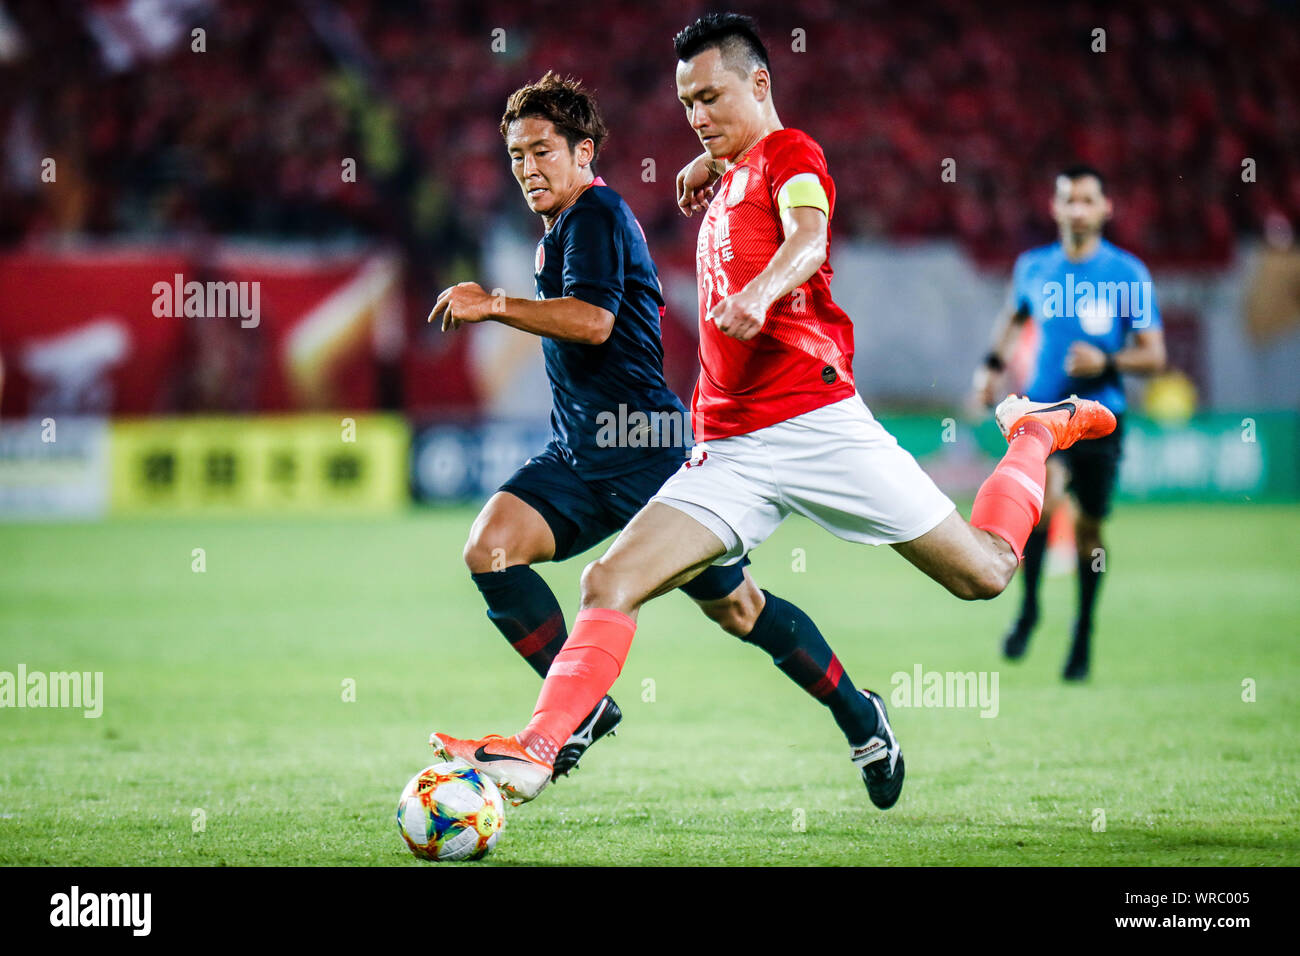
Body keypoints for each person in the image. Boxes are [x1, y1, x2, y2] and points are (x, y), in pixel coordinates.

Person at [430, 14, 1116, 806]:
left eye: (711, 97)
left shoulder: (795, 156)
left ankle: (1032, 434)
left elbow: (809, 237)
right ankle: (538, 749)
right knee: (607, 582)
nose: (697, 115)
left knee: (986, 573)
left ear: (761, 82)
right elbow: (737, 169)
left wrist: (762, 290)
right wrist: (705, 161)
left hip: (816, 425)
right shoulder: (729, 169)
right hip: (727, 445)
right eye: (687, 102)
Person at [429, 71, 893, 789]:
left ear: (585, 153)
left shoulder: (599, 216)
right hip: (582, 453)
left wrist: (491, 304)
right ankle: (578, 709)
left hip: (648, 452)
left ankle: (861, 717)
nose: (527, 168)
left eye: (543, 151)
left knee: (740, 609)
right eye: (517, 155)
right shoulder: (558, 232)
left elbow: (594, 321)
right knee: (490, 549)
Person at [973, 165, 1166, 680]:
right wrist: (989, 370)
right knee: (1043, 506)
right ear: (1054, 208)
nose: (1077, 209)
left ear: (1106, 209)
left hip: (1101, 420)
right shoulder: (1034, 268)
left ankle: (1082, 632)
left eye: (1087, 200)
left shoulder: (1127, 274)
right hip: (1044, 414)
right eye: (1069, 200)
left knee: (1089, 532)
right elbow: (1012, 320)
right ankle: (1030, 608)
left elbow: (1155, 356)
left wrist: (1106, 363)